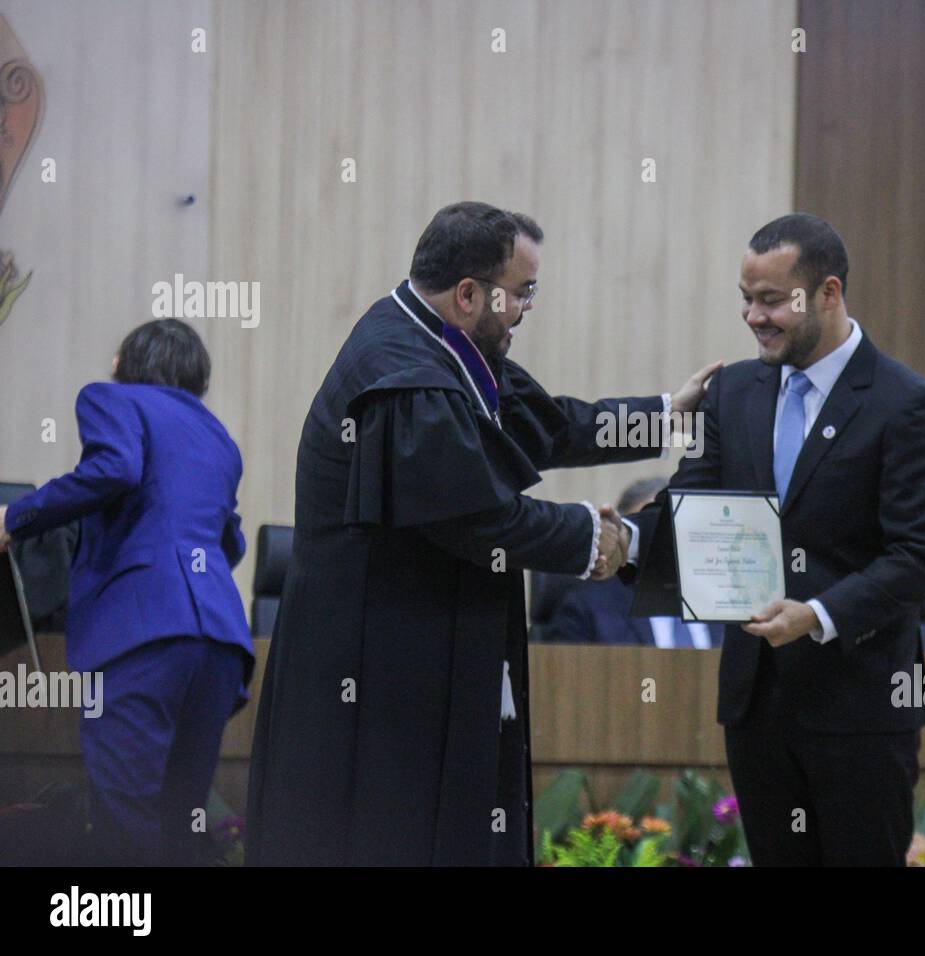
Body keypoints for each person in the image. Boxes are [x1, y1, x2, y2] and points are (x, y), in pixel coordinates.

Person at [246, 201, 719, 866]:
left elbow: (550, 426)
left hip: (415, 663)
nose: (527, 307)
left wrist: (669, 415)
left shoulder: (443, 347)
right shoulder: (406, 378)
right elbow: (479, 518)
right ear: (469, 294)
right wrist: (596, 537)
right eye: (522, 292)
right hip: (376, 684)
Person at [622, 213, 925, 866]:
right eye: (746, 299)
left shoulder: (911, 404)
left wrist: (818, 615)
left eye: (771, 300)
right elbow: (693, 511)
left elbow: (921, 558)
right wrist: (621, 541)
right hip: (758, 707)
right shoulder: (732, 392)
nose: (753, 317)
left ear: (828, 293)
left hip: (860, 708)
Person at [0, 319, 253, 865]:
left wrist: (15, 519)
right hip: (219, 647)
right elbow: (229, 542)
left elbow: (114, 469)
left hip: (145, 638)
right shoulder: (219, 439)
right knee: (180, 825)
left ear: (124, 363)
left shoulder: (112, 399)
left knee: (124, 824)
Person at [544, 477, 722, 647]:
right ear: (622, 541)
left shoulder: (725, 605)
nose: (664, 541)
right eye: (650, 531)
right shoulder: (587, 610)